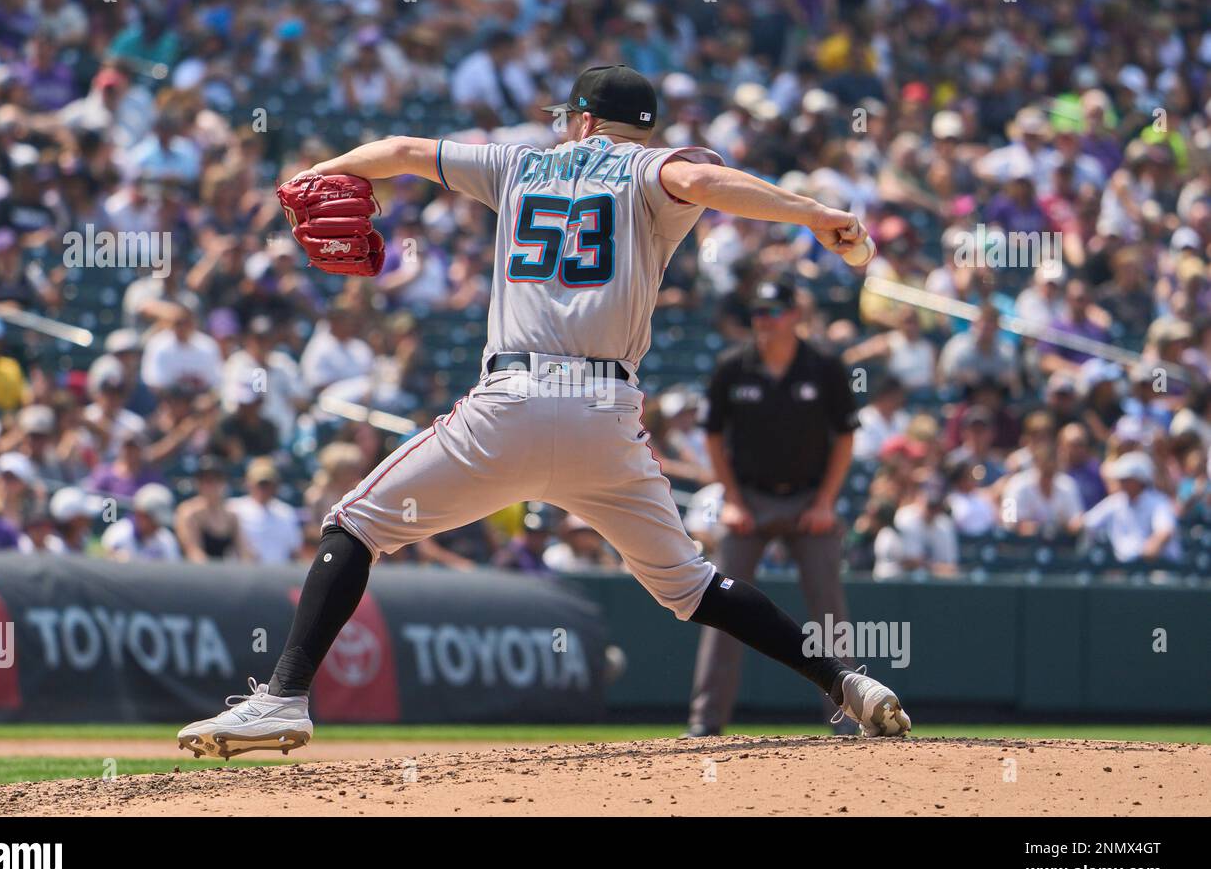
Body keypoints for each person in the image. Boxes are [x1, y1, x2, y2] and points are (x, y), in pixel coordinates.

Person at [179, 64, 909, 759]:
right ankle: (846, 684)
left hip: (513, 403)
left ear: (584, 119)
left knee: (356, 524)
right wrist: (814, 214)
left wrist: (316, 174)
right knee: (692, 587)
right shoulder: (651, 168)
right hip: (605, 413)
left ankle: (284, 695)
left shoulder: (518, 165)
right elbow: (705, 179)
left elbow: (399, 152)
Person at [683, 277, 860, 737]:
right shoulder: (731, 367)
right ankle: (705, 724)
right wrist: (733, 501)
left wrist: (825, 501)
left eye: (772, 312)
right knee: (720, 603)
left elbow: (845, 435)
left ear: (794, 316)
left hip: (808, 501)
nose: (762, 321)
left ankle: (849, 721)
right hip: (750, 500)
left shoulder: (823, 366)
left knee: (830, 615)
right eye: (757, 313)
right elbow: (713, 436)